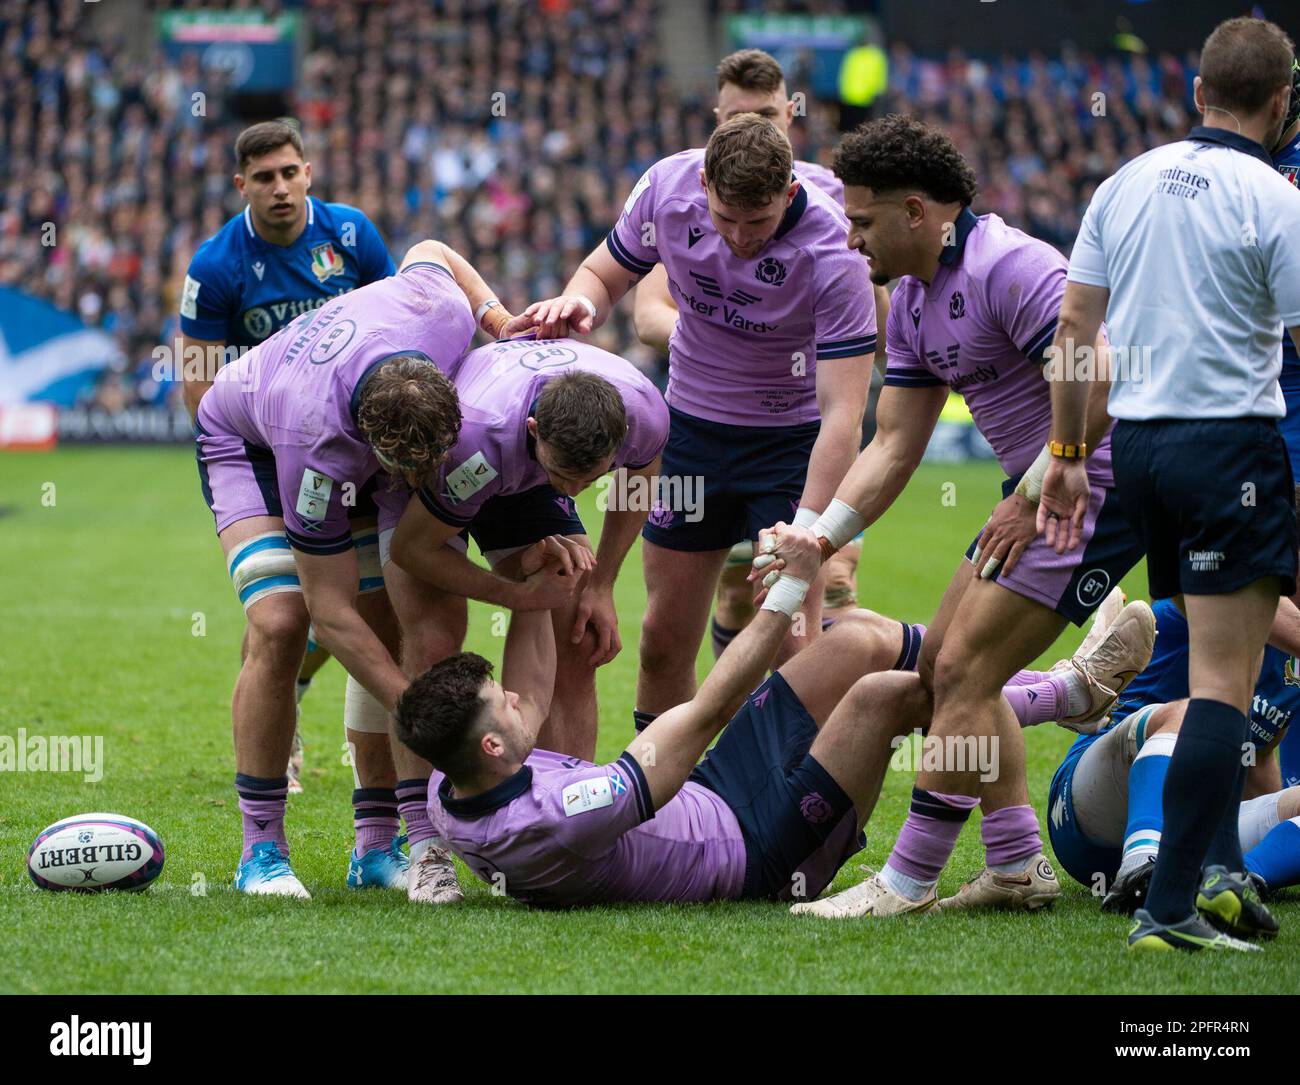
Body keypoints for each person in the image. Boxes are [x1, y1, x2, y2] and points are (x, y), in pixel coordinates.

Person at [754, 114, 1149, 921]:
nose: (851, 238)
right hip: (1036, 491)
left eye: (862, 221)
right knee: (944, 671)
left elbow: (1105, 375)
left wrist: (1035, 486)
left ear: (915, 212)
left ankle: (909, 878)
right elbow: (895, 443)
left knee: (967, 672)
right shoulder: (910, 304)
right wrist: (819, 535)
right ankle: (1013, 862)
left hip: (1093, 491)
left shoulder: (1011, 265)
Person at [1038, 16, 1300, 951]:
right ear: (1280, 103)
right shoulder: (1276, 196)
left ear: (1197, 92)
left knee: (1200, 672)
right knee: (1225, 686)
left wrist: (1068, 461)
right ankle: (1173, 906)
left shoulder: (1125, 181)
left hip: (1138, 452)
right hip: (1230, 449)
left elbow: (1075, 332)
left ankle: (1210, 876)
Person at [510, 114, 877, 741]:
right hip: (689, 439)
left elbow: (845, 411)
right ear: (704, 183)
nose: (739, 238)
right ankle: (659, 802)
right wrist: (582, 303)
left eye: (757, 222)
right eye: (725, 218)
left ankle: (796, 811)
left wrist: (812, 531)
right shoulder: (665, 190)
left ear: (789, 194)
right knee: (661, 640)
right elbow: (602, 275)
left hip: (790, 445)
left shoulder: (834, 249)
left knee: (791, 643)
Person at [194, 239, 506, 900]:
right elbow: (328, 614)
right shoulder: (318, 447)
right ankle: (262, 851)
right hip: (250, 439)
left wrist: (498, 318)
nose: (426, 483)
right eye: (410, 473)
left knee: (400, 610)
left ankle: (376, 844)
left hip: (356, 420)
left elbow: (433, 249)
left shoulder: (443, 314)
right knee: (283, 622)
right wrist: (413, 705)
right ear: (371, 448)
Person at [631, 49, 891, 659]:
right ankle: (723, 738)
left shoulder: (830, 201)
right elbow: (647, 315)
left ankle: (804, 736)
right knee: (721, 604)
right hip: (705, 422)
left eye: (770, 113)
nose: (757, 126)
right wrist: (731, 340)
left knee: (819, 604)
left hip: (799, 431)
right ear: (717, 116)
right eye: (740, 115)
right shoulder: (685, 200)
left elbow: (877, 325)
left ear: (790, 113)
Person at [178, 120, 397, 793]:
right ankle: (278, 737)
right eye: (264, 178)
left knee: (366, 606)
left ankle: (306, 714)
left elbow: (395, 323)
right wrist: (284, 435)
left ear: (309, 172)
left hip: (347, 453)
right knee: (283, 614)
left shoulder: (352, 236)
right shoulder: (216, 266)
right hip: (259, 457)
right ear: (241, 185)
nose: (280, 188)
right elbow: (198, 386)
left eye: (289, 173)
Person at [383, 335, 670, 761]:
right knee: (433, 641)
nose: (574, 492)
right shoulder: (477, 437)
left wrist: (601, 585)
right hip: (451, 463)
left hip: (524, 472)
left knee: (575, 627)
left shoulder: (645, 414)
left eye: (590, 480)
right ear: (535, 430)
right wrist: (518, 594)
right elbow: (414, 549)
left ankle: (564, 805)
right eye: (564, 475)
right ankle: (427, 820)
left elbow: (638, 480)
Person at [1048, 598, 1300, 917]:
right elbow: (1247, 598)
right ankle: (1139, 864)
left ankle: (1239, 879)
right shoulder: (1212, 600)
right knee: (1201, 715)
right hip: (1090, 814)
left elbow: (1258, 759)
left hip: (1190, 832)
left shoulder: (1290, 660)